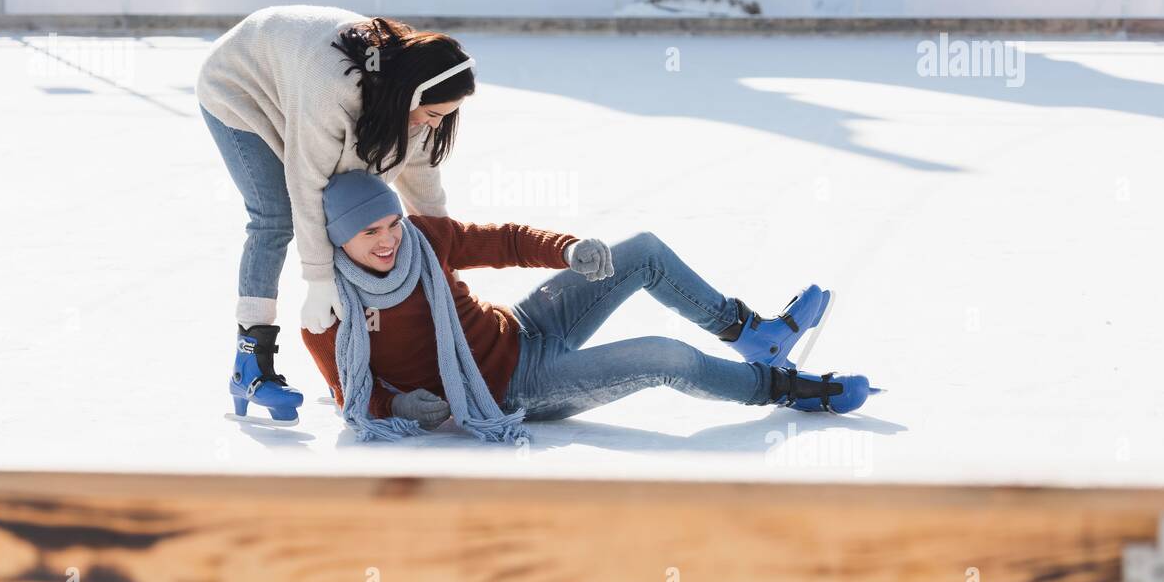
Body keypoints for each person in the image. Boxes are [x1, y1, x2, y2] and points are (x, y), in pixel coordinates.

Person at [300, 171, 875, 442]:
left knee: (643, 251)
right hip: (511, 388)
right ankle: (781, 385)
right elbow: (350, 394)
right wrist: (397, 400)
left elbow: (502, 240)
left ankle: (750, 332)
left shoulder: (424, 239)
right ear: (335, 240)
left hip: (523, 327)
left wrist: (568, 249)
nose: (388, 239)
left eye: (392, 222)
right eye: (369, 231)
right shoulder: (328, 313)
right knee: (665, 356)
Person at [197, 5, 476, 422]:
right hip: (240, 85)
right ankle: (250, 364)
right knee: (274, 217)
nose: (435, 126)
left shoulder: (408, 100)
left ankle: (350, 361)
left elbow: (424, 187)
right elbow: (307, 185)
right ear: (412, 95)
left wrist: (445, 258)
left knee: (361, 218)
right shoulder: (332, 92)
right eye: (433, 115)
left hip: (293, 78)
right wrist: (318, 280)